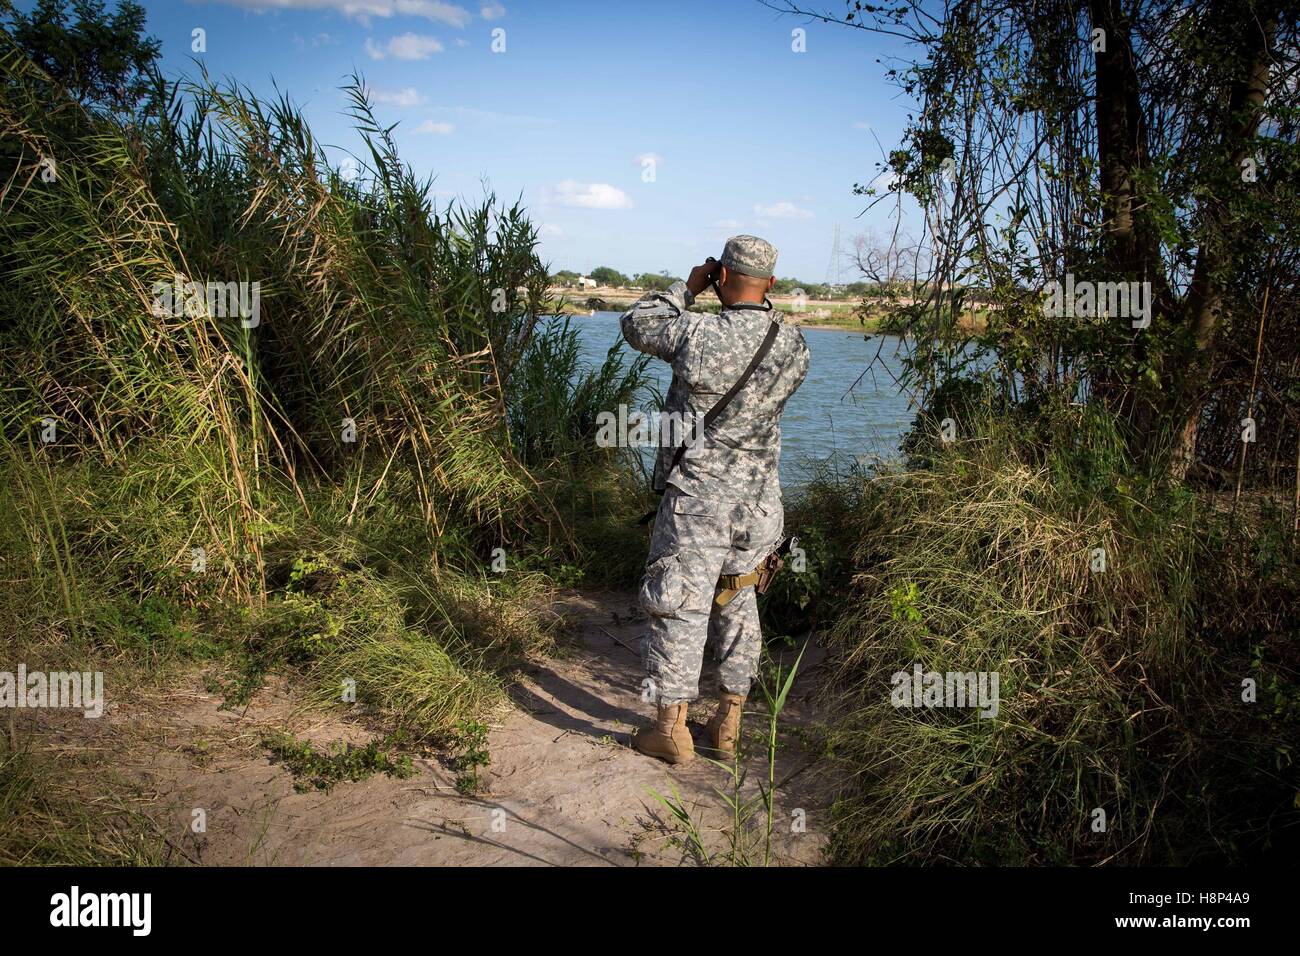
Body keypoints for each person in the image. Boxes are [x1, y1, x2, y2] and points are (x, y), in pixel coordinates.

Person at [620, 235, 810, 764]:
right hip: (760, 502)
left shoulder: (699, 333)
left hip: (700, 498)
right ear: (770, 284)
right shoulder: (794, 345)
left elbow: (637, 323)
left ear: (721, 276)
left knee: (678, 604)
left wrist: (687, 287)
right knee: (739, 598)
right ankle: (728, 725)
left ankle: (670, 731)